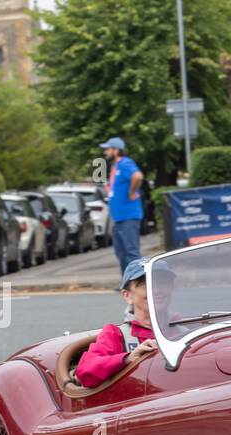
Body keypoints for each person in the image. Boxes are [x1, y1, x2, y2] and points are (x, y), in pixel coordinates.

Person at [74, 258, 158, 387]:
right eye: (146, 284)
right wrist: (128, 358)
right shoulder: (116, 334)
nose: (156, 290)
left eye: (161, 282)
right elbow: (85, 373)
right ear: (127, 296)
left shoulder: (186, 328)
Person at [100, 136, 144, 273]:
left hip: (128, 216)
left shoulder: (125, 163)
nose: (105, 152)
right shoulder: (115, 166)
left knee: (131, 252)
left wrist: (132, 191)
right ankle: (128, 284)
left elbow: (137, 176)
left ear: (116, 150)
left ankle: (138, 283)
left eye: (107, 149)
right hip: (118, 217)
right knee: (122, 253)